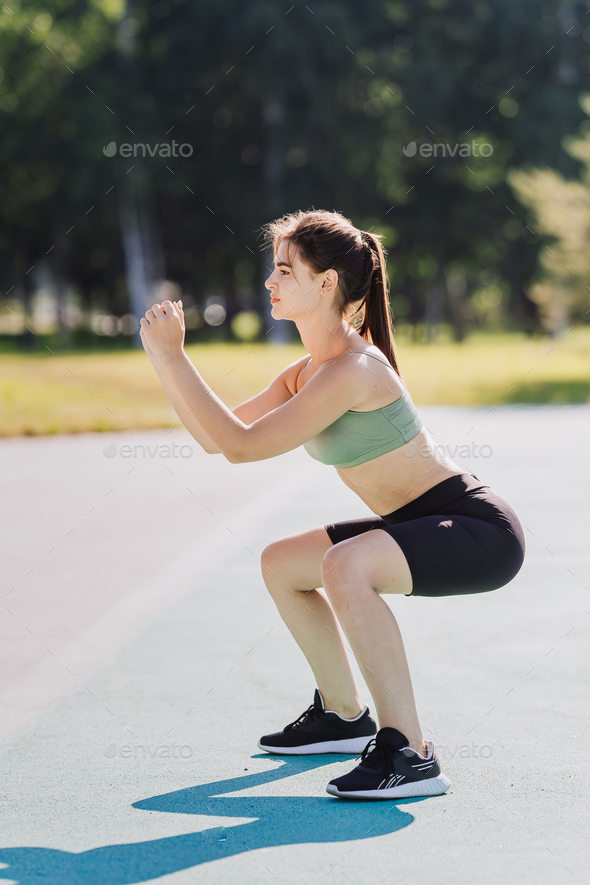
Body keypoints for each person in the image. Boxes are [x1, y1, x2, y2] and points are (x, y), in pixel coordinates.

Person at [139, 209, 525, 801]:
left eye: (285, 270)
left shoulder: (353, 370)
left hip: (476, 529)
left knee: (345, 566)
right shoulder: (306, 373)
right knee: (281, 563)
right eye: (273, 269)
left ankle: (411, 754)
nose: (270, 282)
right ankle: (343, 715)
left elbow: (241, 448)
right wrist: (166, 361)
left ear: (326, 284)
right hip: (418, 522)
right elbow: (224, 435)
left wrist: (174, 357)